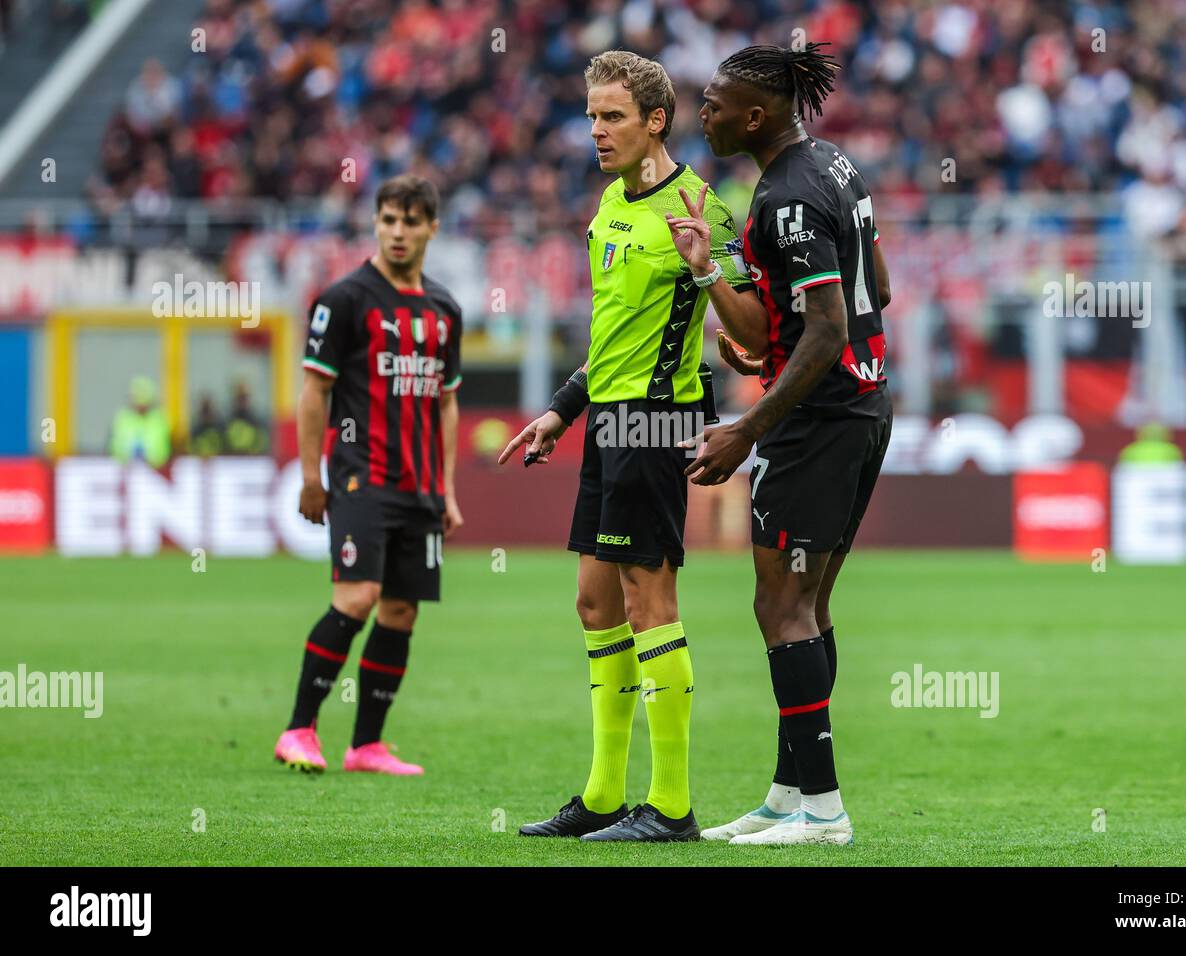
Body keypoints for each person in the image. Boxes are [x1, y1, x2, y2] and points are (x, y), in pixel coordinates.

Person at [498, 50, 754, 842]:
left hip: (656, 419)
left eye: (611, 116)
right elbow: (611, 335)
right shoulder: (610, 203)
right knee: (594, 602)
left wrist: (707, 270)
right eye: (590, 116)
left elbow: (753, 331)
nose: (596, 131)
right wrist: (562, 410)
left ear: (655, 121)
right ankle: (604, 794)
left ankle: (672, 807)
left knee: (650, 603)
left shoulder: (702, 208)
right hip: (606, 418)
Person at [669, 43, 894, 845]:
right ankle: (790, 795)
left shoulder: (789, 196)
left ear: (755, 114)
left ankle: (825, 813)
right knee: (808, 605)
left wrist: (745, 428)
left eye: (712, 103)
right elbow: (877, 291)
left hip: (819, 422)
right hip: (864, 408)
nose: (702, 114)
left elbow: (826, 329)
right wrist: (712, 276)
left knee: (780, 605)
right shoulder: (830, 164)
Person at [274, 174, 464, 776]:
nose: (398, 232)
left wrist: (448, 488)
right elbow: (314, 390)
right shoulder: (345, 299)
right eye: (387, 220)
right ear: (375, 224)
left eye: (410, 221)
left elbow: (446, 401)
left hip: (420, 484)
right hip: (362, 476)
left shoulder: (444, 310)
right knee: (356, 597)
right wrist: (312, 474)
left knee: (401, 610)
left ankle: (366, 745)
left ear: (432, 226)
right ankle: (299, 729)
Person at [110, 376, 171, 468]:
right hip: (128, 470)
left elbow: (162, 451)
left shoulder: (158, 419)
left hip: (154, 471)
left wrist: (147, 454)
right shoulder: (123, 418)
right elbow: (116, 446)